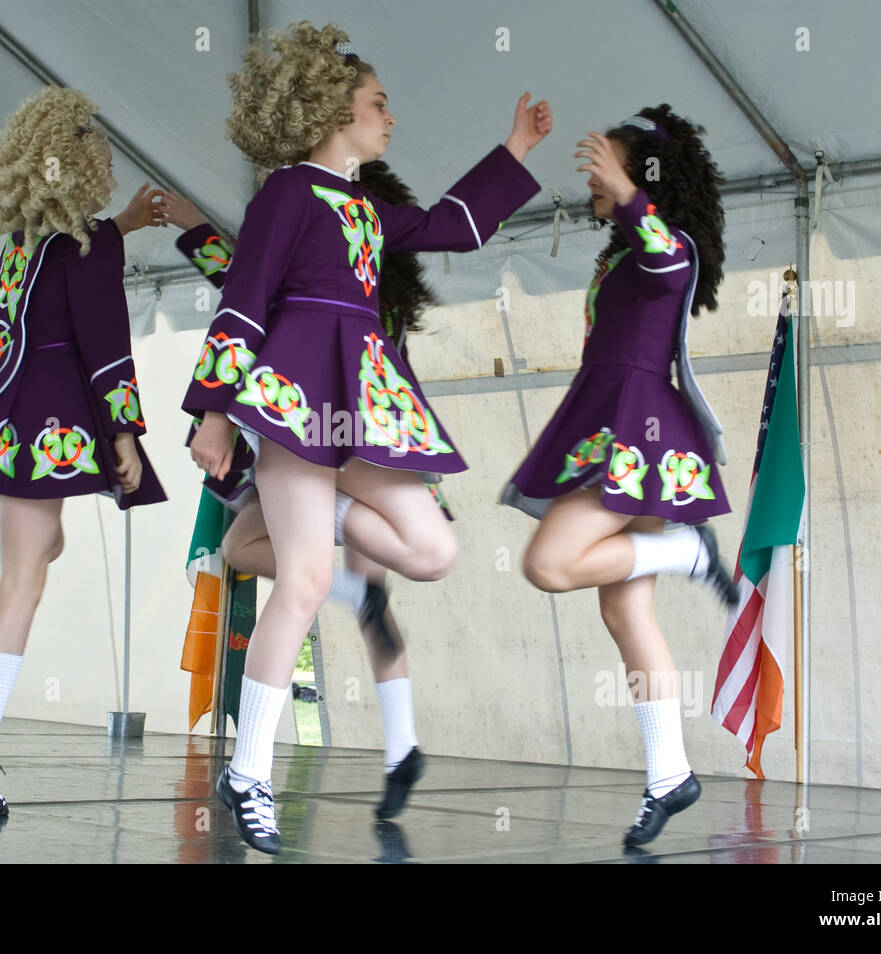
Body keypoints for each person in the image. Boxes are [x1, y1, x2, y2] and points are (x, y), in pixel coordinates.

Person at [182, 21, 550, 854]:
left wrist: (514, 149)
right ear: (330, 109)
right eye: (378, 104)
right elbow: (241, 299)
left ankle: (327, 514)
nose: (391, 118)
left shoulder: (367, 208)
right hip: (295, 396)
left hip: (365, 402)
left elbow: (451, 227)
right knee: (305, 584)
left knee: (431, 548)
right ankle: (249, 773)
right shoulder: (284, 194)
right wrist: (211, 408)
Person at [0, 86, 168, 815]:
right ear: (81, 164)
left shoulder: (29, 241)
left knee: (42, 551)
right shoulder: (84, 246)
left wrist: (125, 224)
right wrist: (125, 435)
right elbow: (106, 346)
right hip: (45, 425)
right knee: (26, 575)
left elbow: (71, 266)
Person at [165, 161, 448, 821]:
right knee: (260, 552)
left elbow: (245, 286)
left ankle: (397, 740)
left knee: (289, 563)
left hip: (333, 442)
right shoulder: (383, 288)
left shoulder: (344, 275)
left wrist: (194, 229)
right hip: (368, 444)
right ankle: (402, 743)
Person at [500, 105, 736, 847]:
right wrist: (623, 195)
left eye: (609, 166)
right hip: (613, 419)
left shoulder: (670, 248)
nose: (594, 179)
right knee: (625, 615)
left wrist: (627, 192)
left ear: (643, 178)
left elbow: (663, 256)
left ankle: (689, 552)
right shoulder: (620, 251)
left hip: (638, 429)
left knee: (548, 563)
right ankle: (670, 775)